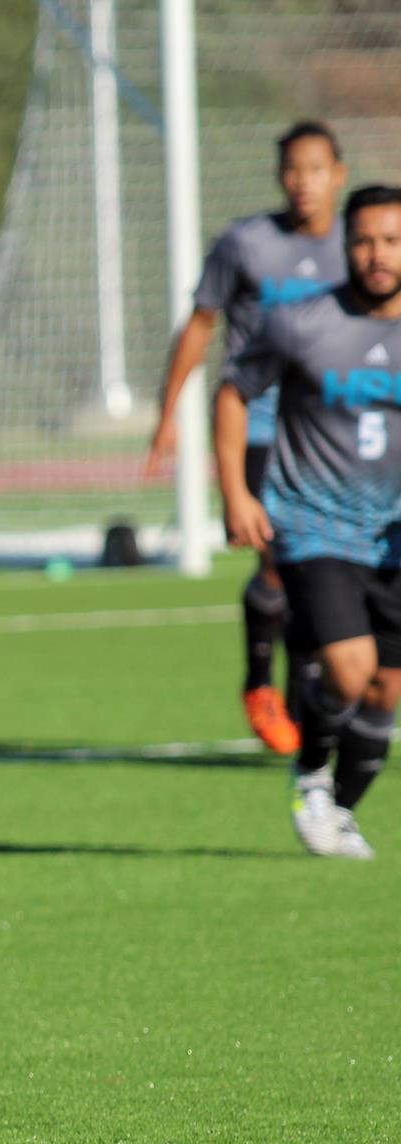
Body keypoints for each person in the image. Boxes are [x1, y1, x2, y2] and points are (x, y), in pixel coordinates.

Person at [150, 121, 349, 752]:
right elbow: (200, 324)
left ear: (337, 174)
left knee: (324, 565)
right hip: (260, 425)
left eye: (315, 169)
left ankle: (301, 696)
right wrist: (168, 410)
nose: (303, 182)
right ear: (279, 175)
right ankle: (263, 683)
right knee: (280, 554)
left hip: (334, 433)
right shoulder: (246, 244)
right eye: (292, 169)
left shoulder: (364, 246)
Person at [217, 182, 401, 859]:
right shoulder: (303, 321)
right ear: (344, 246)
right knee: (350, 670)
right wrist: (237, 491)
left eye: (390, 240)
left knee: (386, 687)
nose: (376, 255)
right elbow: (235, 391)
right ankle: (311, 771)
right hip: (314, 523)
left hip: (393, 534)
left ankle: (340, 810)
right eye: (363, 241)